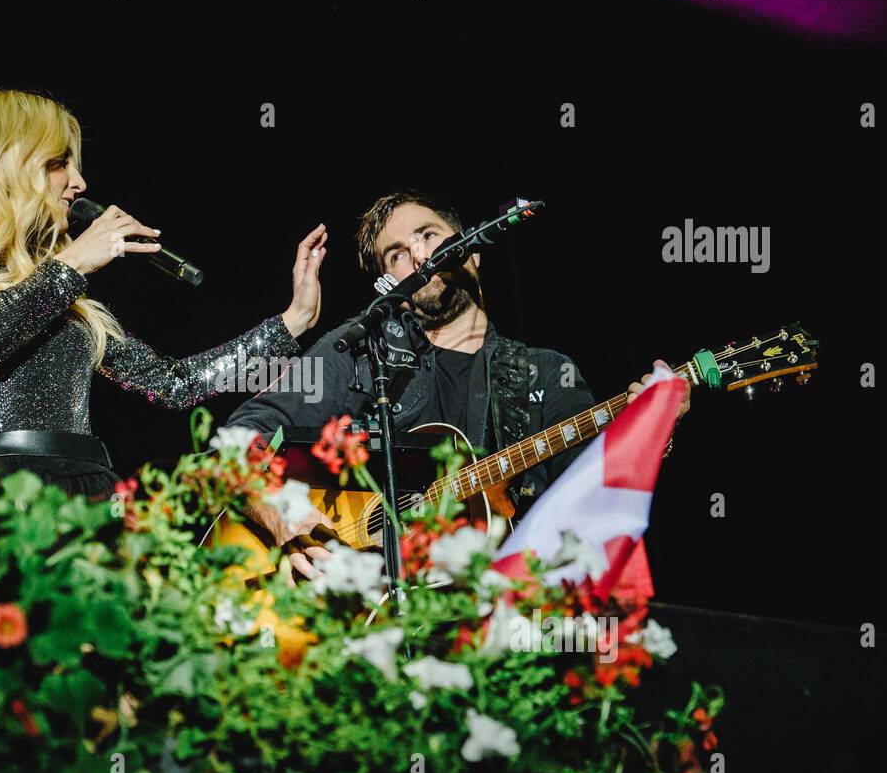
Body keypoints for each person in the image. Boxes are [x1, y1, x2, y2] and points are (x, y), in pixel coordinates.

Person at [0, 89, 327, 500]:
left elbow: (173, 384)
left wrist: (292, 321)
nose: (79, 182)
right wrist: (75, 263)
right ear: (6, 162)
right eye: (58, 163)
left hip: (86, 490)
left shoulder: (59, 289)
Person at [225, 189, 688, 576]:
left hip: (494, 627)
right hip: (358, 626)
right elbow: (234, 443)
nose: (422, 255)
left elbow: (594, 511)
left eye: (428, 236)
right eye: (398, 254)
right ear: (390, 286)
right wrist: (282, 517)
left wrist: (649, 433)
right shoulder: (358, 352)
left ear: (472, 249)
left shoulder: (545, 373)